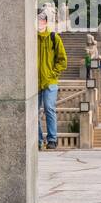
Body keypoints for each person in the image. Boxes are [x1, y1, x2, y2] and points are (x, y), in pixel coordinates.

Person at [36, 11, 67, 150]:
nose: (39, 23)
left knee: (49, 108)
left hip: (50, 81)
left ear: (46, 22)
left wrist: (53, 73)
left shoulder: (54, 37)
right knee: (33, 112)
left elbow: (62, 61)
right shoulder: (31, 37)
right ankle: (37, 139)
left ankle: (52, 139)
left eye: (42, 20)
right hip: (34, 82)